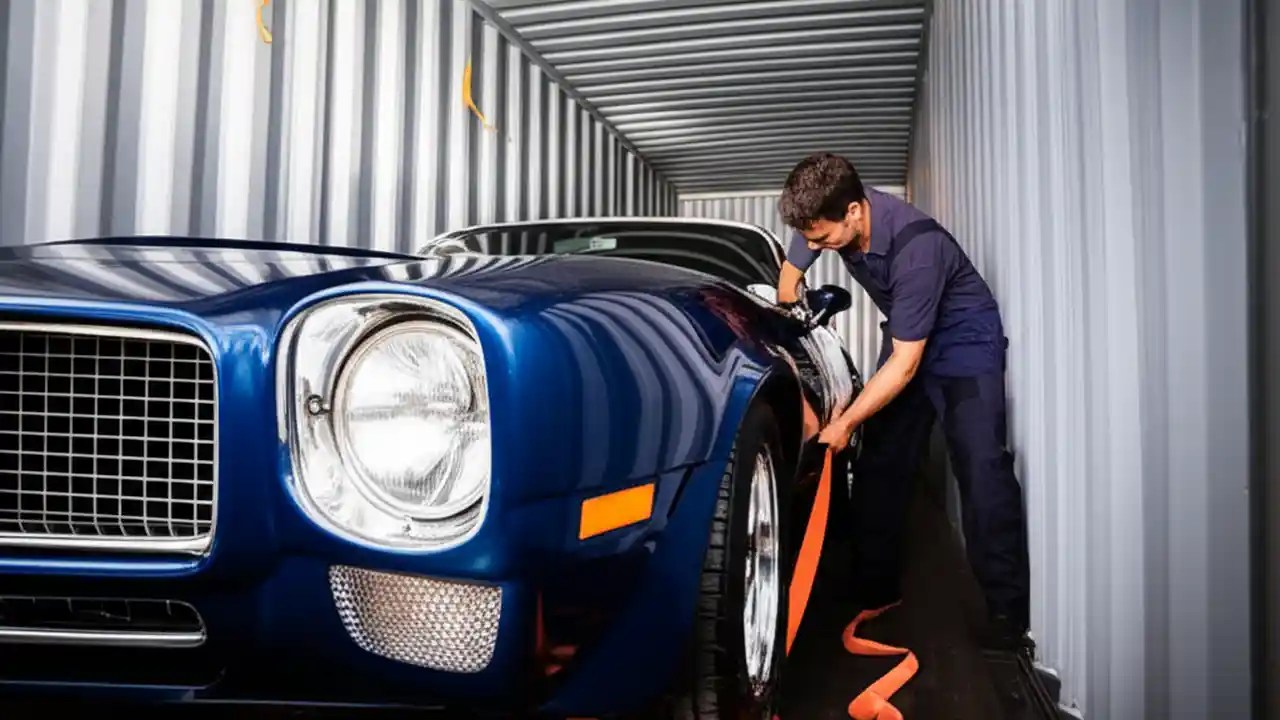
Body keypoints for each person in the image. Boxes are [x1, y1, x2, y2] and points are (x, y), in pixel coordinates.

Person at [775, 152, 1033, 653]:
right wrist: (790, 281)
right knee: (880, 464)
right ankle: (875, 589)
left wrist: (846, 422)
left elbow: (906, 364)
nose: (814, 246)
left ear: (854, 211)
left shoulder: (918, 246)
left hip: (962, 345)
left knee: (982, 469)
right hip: (908, 334)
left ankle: (1006, 614)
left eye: (822, 238)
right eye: (808, 237)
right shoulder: (827, 216)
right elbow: (801, 246)